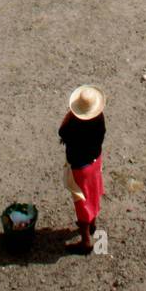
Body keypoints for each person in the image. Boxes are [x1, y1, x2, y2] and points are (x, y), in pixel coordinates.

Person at [59, 85, 106, 254]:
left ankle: (86, 241)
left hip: (80, 167)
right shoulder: (99, 119)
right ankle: (93, 224)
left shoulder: (73, 125)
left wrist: (69, 116)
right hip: (95, 161)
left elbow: (62, 132)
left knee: (81, 201)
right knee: (93, 193)